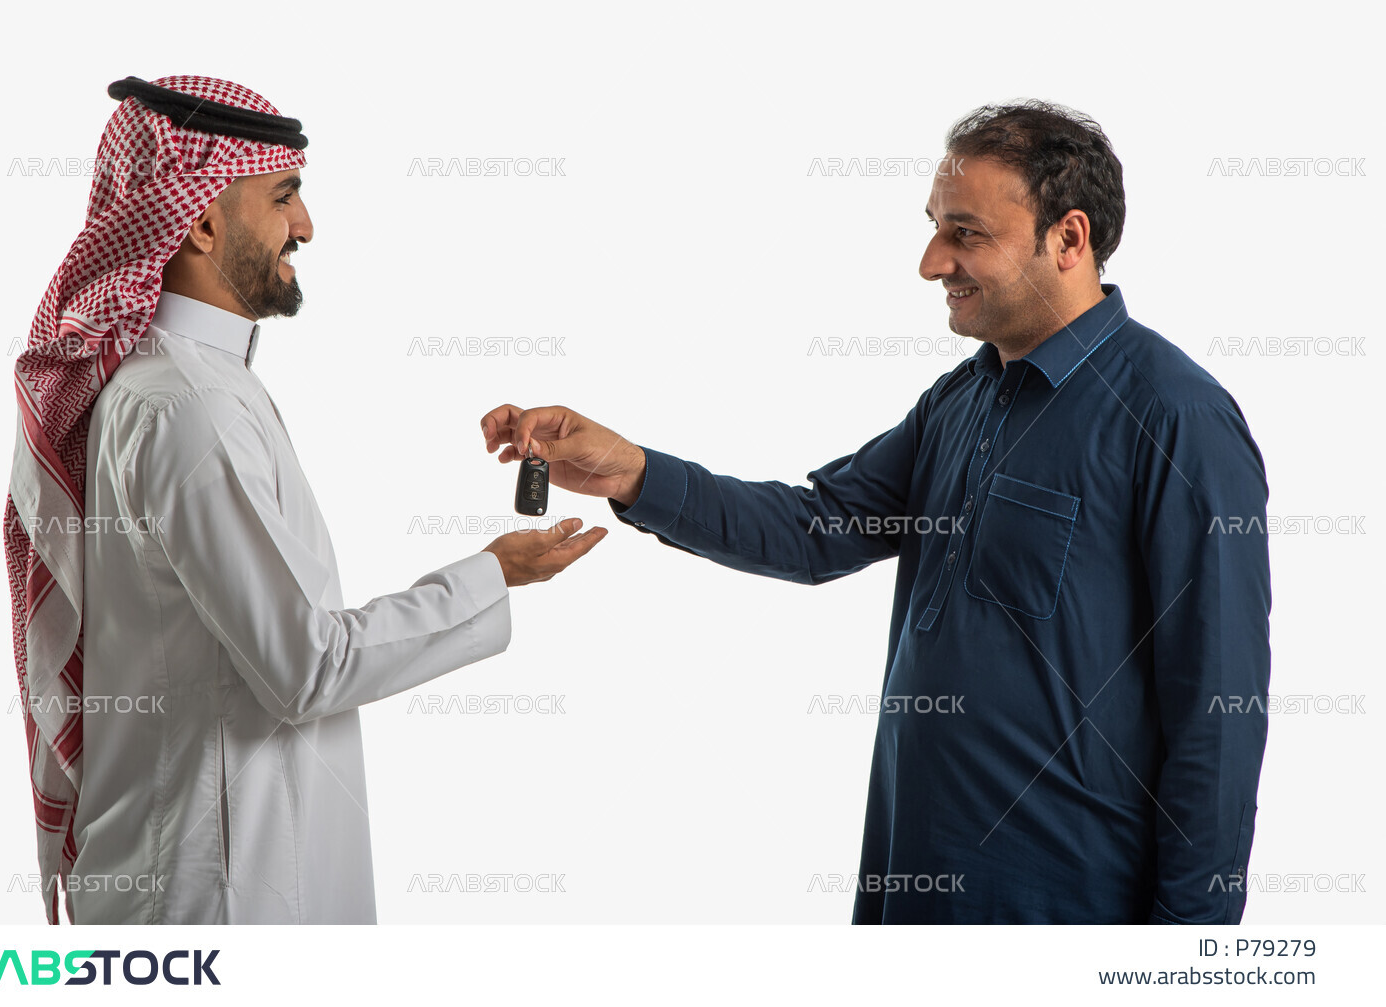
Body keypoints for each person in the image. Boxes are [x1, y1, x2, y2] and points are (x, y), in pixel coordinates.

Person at [481, 100, 1271, 924]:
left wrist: (1187, 959)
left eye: (966, 233)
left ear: (1069, 240)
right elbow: (815, 528)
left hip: (1062, 912)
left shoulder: (1177, 419)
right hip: (907, 883)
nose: (932, 262)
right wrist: (632, 471)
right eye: (935, 227)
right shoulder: (962, 398)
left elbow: (1217, 713)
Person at [3, 75, 605, 925]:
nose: (307, 226)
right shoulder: (188, 407)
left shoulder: (193, 386)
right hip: (214, 898)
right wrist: (493, 574)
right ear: (203, 220)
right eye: (284, 196)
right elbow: (308, 665)